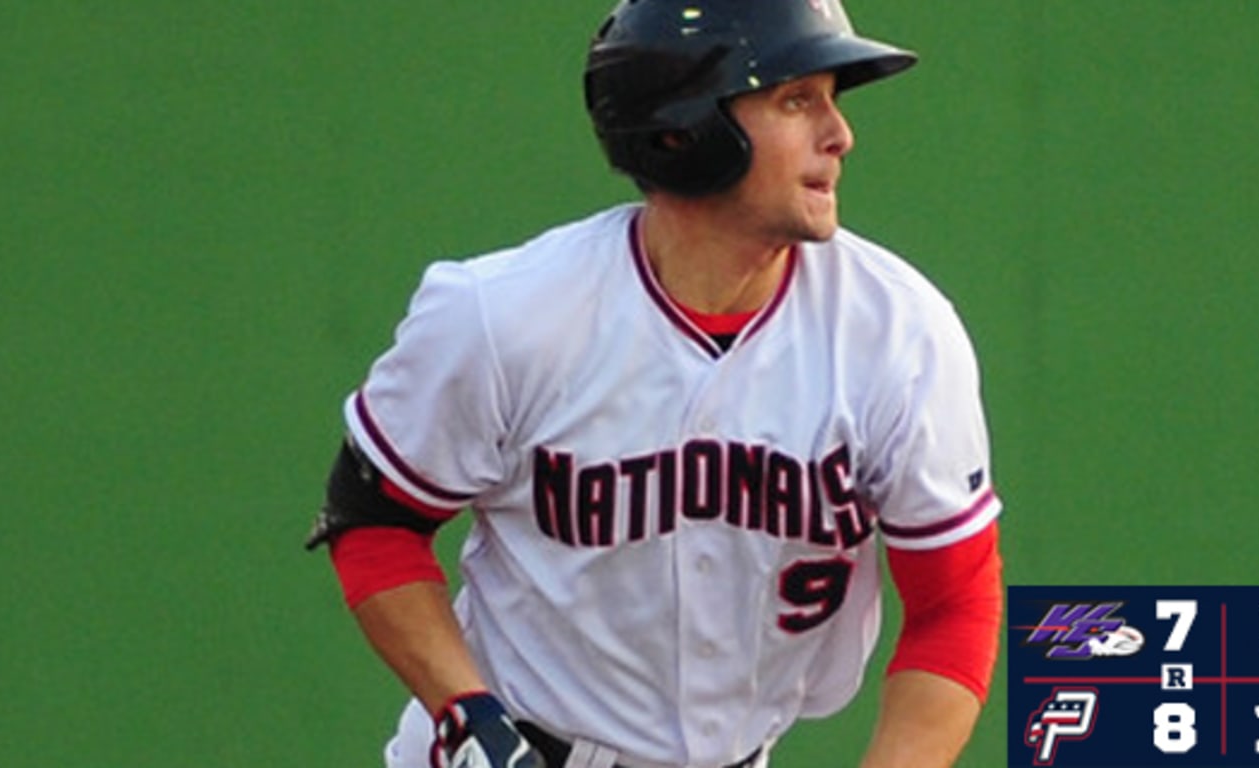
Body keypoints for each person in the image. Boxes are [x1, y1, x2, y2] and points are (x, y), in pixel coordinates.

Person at [306, 1, 1004, 766]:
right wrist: (468, 713)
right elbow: (374, 519)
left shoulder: (899, 333)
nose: (840, 136)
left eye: (832, 100)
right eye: (795, 99)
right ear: (685, 128)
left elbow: (954, 602)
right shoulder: (504, 316)